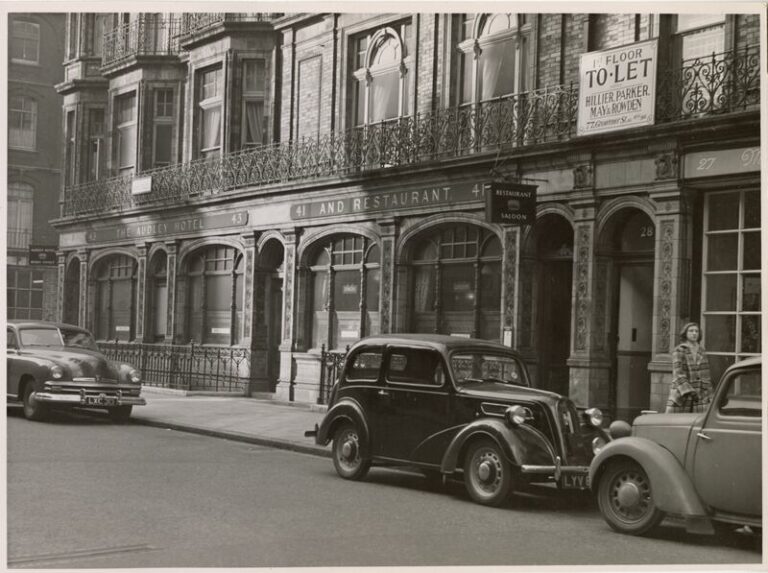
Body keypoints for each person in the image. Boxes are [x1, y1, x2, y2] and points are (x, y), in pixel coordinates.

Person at [665, 322, 713, 413]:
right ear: (685, 333)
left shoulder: (702, 351)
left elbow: (706, 375)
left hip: (700, 395)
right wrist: (689, 391)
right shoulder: (679, 350)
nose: (694, 333)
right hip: (682, 395)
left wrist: (710, 395)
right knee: (678, 422)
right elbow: (678, 374)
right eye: (691, 331)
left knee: (697, 422)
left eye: (696, 331)